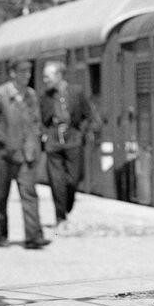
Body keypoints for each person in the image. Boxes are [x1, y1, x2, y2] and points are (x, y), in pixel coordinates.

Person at [0, 59, 48, 249]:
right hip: (3, 156)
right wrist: (4, 139)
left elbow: (36, 122)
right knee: (1, 197)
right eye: (22, 71)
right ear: (12, 73)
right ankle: (0, 235)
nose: (27, 75)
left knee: (30, 194)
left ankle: (33, 237)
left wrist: (34, 143)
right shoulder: (0, 94)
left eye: (29, 71)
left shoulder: (31, 95)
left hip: (26, 155)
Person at [39, 59, 95, 228]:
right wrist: (43, 135)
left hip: (73, 140)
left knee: (73, 179)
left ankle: (66, 204)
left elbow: (89, 116)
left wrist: (81, 133)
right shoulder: (45, 97)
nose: (44, 80)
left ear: (59, 75)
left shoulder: (76, 92)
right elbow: (39, 120)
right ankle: (60, 216)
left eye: (47, 77)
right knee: (56, 181)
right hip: (53, 142)